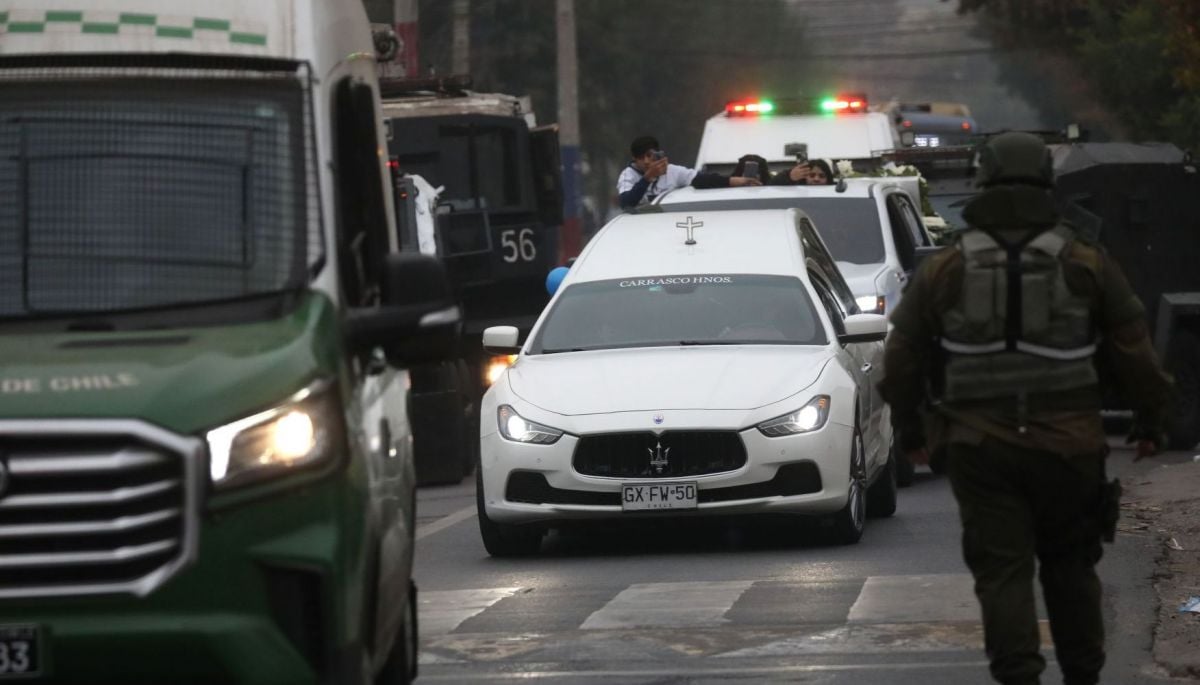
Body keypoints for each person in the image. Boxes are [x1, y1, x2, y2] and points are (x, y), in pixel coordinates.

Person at [877, 131, 1172, 685]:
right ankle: (1083, 675)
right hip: (1069, 446)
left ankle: (1019, 677)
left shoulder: (946, 267)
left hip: (980, 447)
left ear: (983, 182)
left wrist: (911, 430)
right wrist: (1151, 422)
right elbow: (1135, 353)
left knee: (1002, 571)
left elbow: (901, 360)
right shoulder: (1086, 260)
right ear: (1047, 182)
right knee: (1071, 565)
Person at [617, 135, 759, 209]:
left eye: (649, 155)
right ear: (634, 158)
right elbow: (626, 203)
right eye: (641, 158)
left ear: (658, 154)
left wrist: (737, 181)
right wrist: (647, 178)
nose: (646, 161)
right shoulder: (627, 175)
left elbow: (703, 180)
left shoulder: (672, 171)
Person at [769, 158, 834, 186]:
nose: (816, 179)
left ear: (828, 178)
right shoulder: (796, 191)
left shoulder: (835, 190)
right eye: (812, 175)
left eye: (822, 176)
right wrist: (789, 176)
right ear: (805, 177)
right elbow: (772, 184)